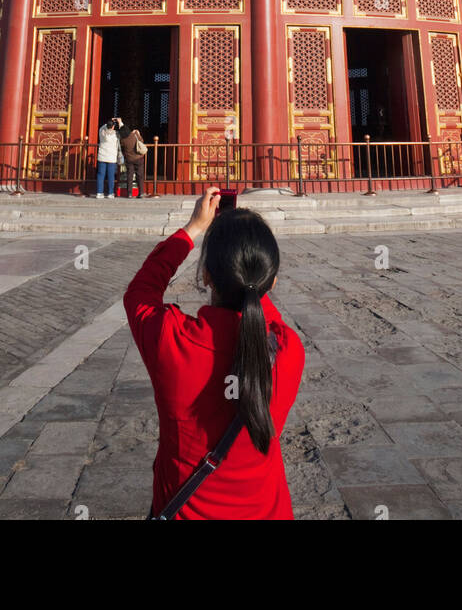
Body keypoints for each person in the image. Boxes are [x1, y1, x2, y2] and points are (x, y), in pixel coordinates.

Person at [123, 187, 305, 519]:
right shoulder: (288, 350)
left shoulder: (171, 340)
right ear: (273, 282)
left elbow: (140, 292)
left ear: (206, 276)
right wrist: (250, 262)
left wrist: (193, 229)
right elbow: (262, 309)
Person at [119, 121, 147, 199]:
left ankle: (129, 193)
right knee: (140, 175)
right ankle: (141, 193)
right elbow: (141, 141)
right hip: (138, 158)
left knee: (130, 176)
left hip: (129, 159)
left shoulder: (123, 140)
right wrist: (137, 133)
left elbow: (122, 148)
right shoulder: (135, 135)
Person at [95, 118, 120, 199]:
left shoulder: (102, 132)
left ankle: (99, 192)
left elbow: (103, 127)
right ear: (113, 127)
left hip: (102, 156)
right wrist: (118, 122)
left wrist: (109, 121)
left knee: (100, 175)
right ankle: (110, 193)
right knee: (111, 176)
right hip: (111, 157)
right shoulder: (115, 134)